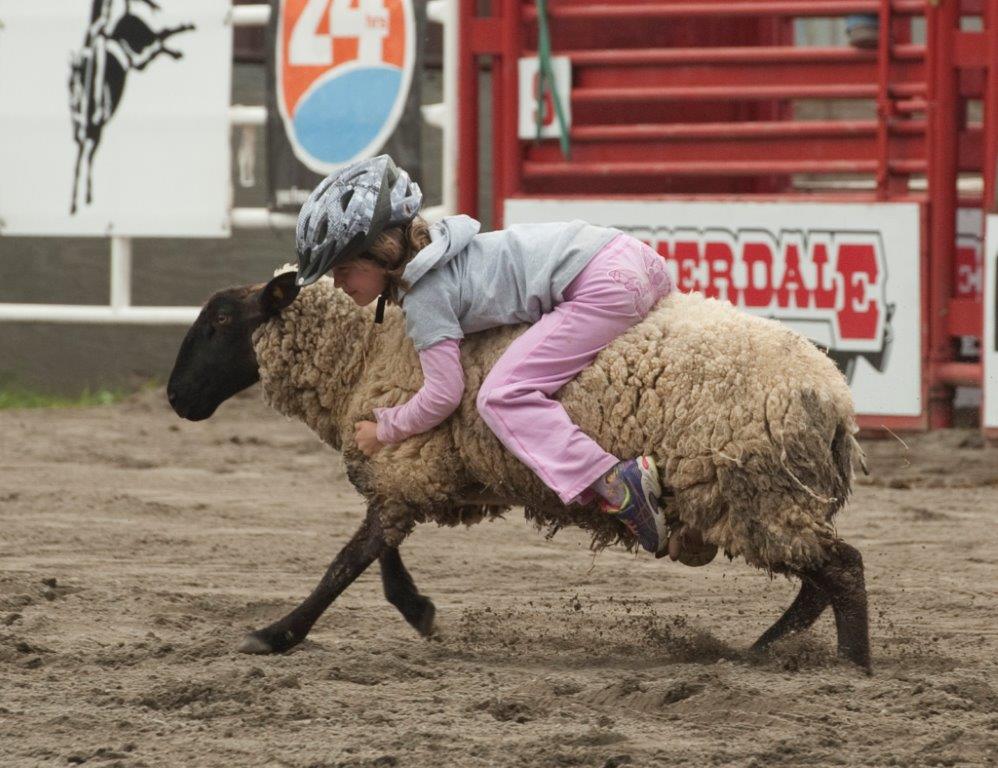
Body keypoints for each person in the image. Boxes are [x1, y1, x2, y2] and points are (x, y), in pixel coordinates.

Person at [294, 155, 677, 555]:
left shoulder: (425, 296)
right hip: (634, 256)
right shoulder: (444, 246)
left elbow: (444, 394)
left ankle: (617, 482)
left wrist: (386, 429)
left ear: (382, 252)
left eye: (343, 269)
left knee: (501, 395)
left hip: (604, 283)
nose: (337, 284)